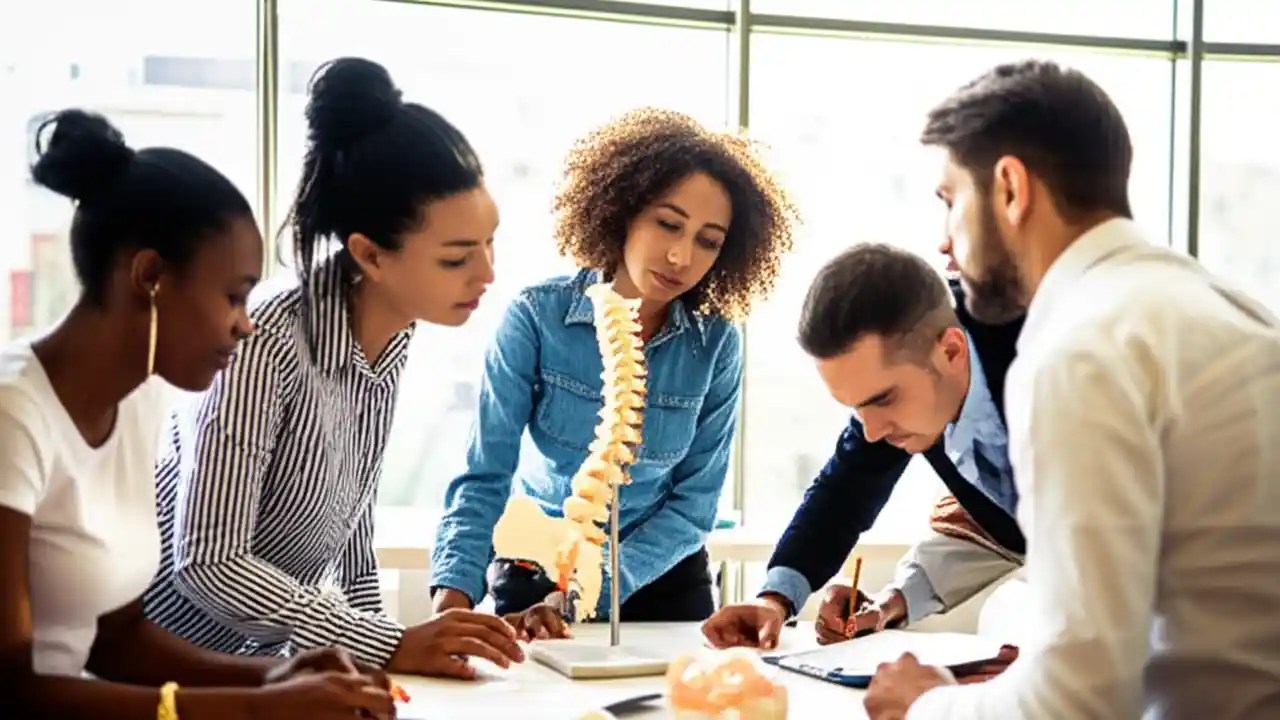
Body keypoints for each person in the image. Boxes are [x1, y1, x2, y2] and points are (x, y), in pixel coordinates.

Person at [865, 59, 1280, 719]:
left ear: (1009, 188)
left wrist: (926, 704)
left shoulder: (1080, 348)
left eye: (950, 200)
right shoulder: (1239, 315)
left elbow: (1078, 702)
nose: (944, 243)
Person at [0, 110, 396, 719]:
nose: (246, 324)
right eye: (233, 296)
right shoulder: (13, 414)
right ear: (149, 276)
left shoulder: (136, 402)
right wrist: (258, 710)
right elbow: (12, 686)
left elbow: (115, 639)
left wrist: (276, 675)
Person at [143, 57, 523, 680]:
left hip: (263, 672)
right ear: (370, 255)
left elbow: (351, 527)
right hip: (161, 675)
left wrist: (379, 665)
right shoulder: (264, 342)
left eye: (490, 243)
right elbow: (209, 563)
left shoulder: (392, 334)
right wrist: (388, 644)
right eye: (457, 259)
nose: (487, 274)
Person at [429, 108, 799, 633]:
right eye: (668, 224)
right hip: (537, 568)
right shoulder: (537, 317)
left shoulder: (716, 344)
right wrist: (452, 604)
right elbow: (485, 474)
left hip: (664, 577)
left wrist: (589, 590)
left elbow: (693, 506)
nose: (681, 256)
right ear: (623, 212)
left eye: (708, 240)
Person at [701, 243, 1025, 651]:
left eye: (883, 399)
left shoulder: (1044, 360)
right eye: (857, 408)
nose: (871, 433)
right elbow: (843, 494)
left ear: (950, 351)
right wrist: (775, 600)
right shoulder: (910, 398)